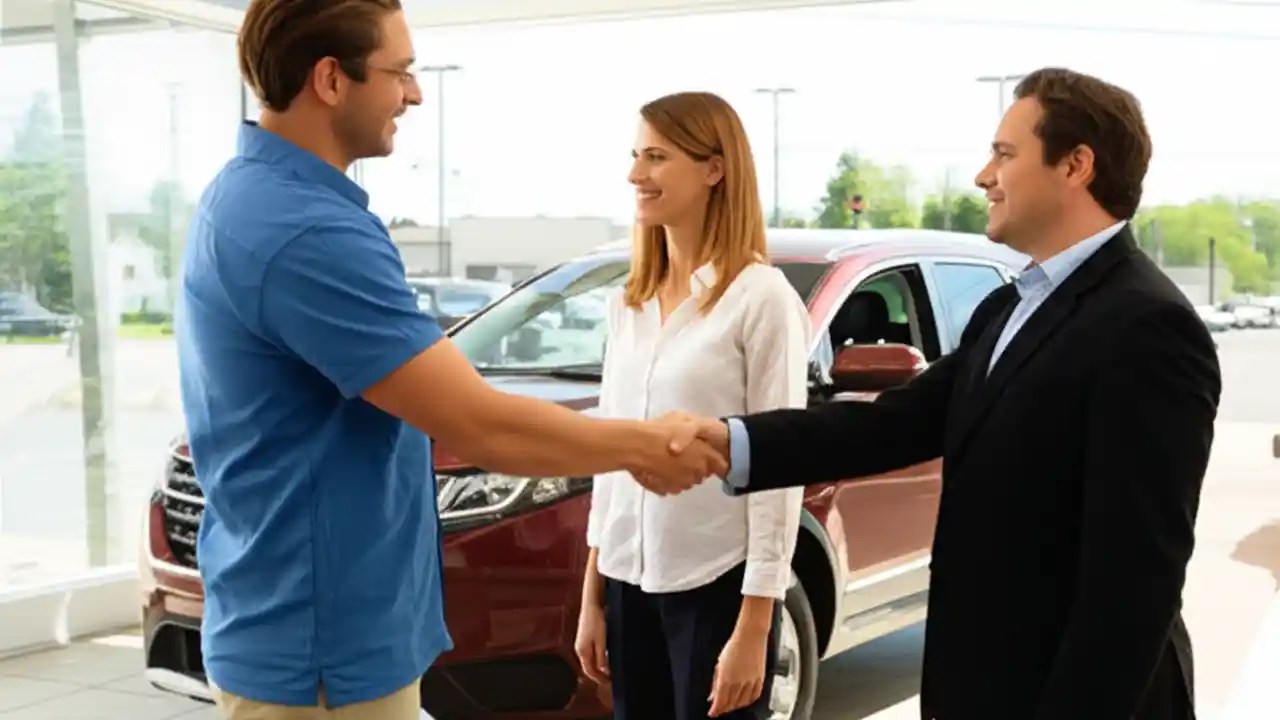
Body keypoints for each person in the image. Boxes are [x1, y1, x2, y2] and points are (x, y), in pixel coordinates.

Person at [177, 2, 724, 719]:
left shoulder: (255, 196)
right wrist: (646, 447)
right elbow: (477, 424)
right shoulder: (303, 230)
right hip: (322, 655)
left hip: (308, 630)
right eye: (400, 72)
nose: (414, 94)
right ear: (330, 80)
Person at [655, 68, 1222, 719]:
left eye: (1004, 154)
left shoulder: (1148, 327)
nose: (984, 176)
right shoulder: (1011, 307)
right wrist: (729, 441)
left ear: (1076, 165)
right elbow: (895, 425)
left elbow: (1133, 584)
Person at [572, 92, 809, 720]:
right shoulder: (628, 304)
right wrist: (593, 593)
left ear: (714, 169)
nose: (635, 174)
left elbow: (779, 472)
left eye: (656, 157)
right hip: (627, 582)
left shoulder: (762, 299)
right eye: (635, 155)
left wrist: (755, 625)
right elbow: (613, 454)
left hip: (717, 587)